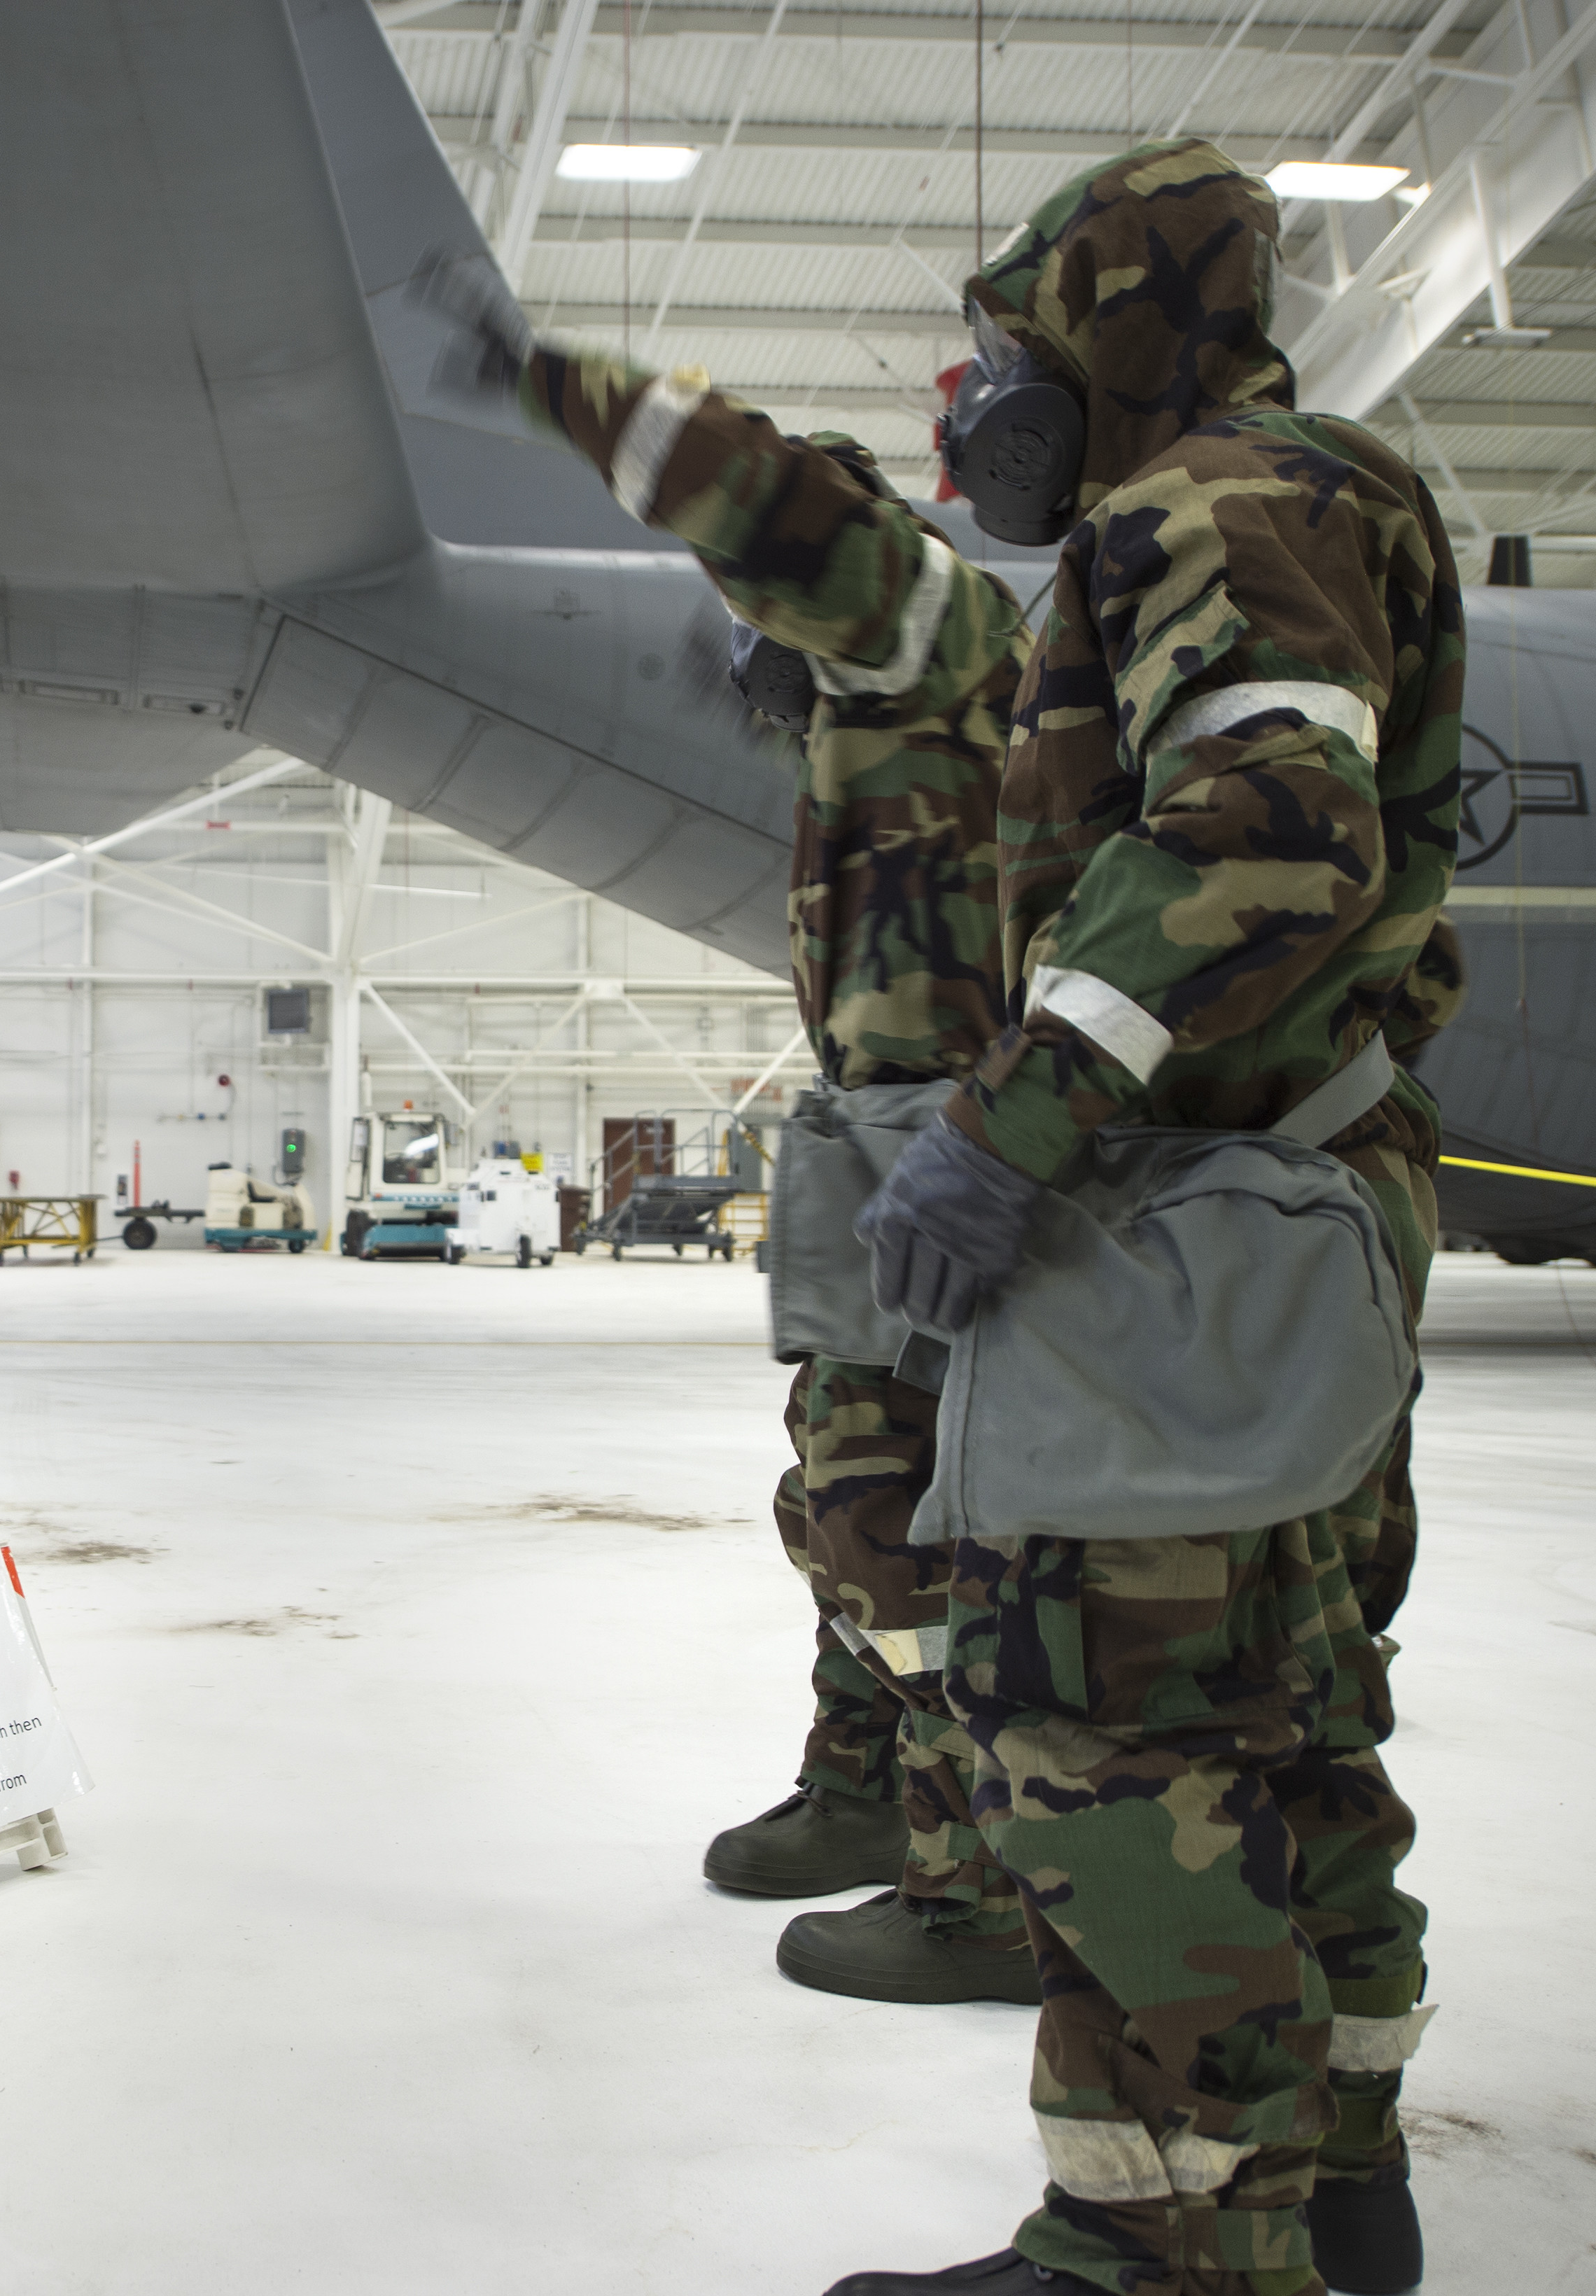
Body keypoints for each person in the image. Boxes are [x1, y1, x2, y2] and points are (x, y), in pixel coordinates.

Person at [829, 139, 1461, 2296]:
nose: (975, 404)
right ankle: (1340, 2180)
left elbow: (1276, 827)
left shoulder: (1202, 503)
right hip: (1301, 1207)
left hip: (1181, 1224)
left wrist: (1012, 1123)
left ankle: (1166, 2248)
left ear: (1097, 333)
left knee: (1107, 1732)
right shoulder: (1331, 490)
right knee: (1301, 1712)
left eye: (1002, 350)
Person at [493, 323, 1035, 2004]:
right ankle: (865, 1783)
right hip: (878, 1145)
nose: (747, 645)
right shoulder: (851, 735)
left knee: (901, 1512)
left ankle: (985, 1878)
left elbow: (785, 515)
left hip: (957, 1152)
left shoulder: (935, 632)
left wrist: (553, 383)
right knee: (834, 1491)